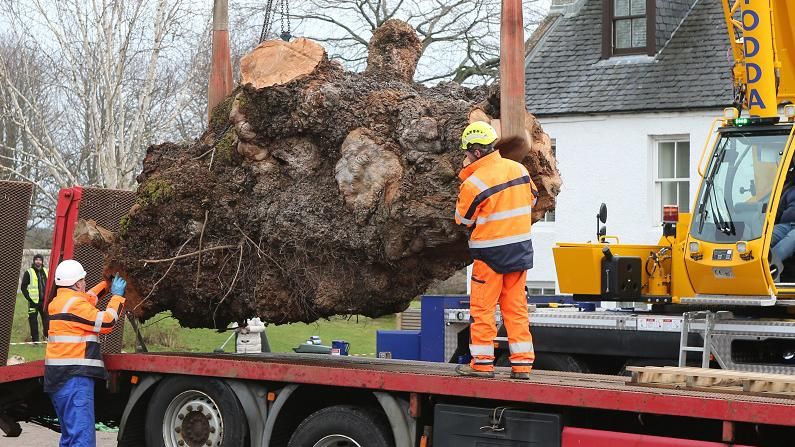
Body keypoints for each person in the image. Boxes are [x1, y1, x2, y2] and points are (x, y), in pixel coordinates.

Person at [454, 122, 538, 380]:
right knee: (516, 311)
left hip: (489, 258)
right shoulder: (519, 170)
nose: (465, 158)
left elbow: (463, 220)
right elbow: (533, 199)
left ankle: (482, 364)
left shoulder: (474, 183)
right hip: (519, 253)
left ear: (477, 152)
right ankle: (522, 366)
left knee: (483, 310)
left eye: (467, 153)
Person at [44, 259, 126, 447]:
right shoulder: (75, 306)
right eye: (84, 280)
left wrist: (107, 284)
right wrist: (118, 297)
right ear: (78, 283)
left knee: (70, 438)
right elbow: (107, 322)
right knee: (82, 440)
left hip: (60, 379)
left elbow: (89, 298)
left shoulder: (61, 301)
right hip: (74, 379)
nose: (86, 284)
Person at [20, 253, 48, 343]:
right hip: (33, 302)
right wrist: (29, 298)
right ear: (34, 261)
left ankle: (46, 338)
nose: (38, 261)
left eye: (40, 260)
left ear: (42, 261)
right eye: (36, 259)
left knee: (46, 321)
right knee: (33, 322)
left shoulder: (46, 271)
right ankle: (35, 341)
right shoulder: (29, 272)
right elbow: (23, 287)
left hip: (44, 301)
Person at [771, 182, 795, 278]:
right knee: (765, 238)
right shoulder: (790, 190)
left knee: (788, 242)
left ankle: (768, 267)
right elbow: (779, 210)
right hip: (785, 225)